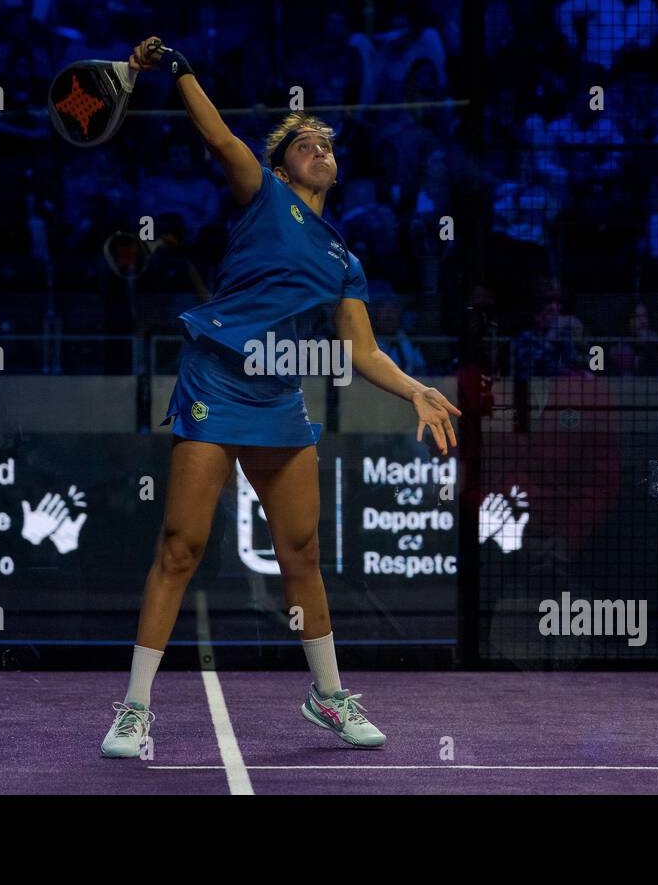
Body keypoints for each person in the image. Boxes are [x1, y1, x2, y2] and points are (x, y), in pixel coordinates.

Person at [99, 37, 461, 757]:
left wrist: (414, 387)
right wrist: (175, 67)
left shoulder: (343, 260)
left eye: (327, 143)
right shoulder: (261, 194)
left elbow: (361, 352)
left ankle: (327, 697)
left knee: (300, 551)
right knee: (181, 545)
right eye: (305, 142)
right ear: (283, 162)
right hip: (214, 380)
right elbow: (215, 132)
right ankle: (134, 710)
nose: (319, 147)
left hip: (277, 399)